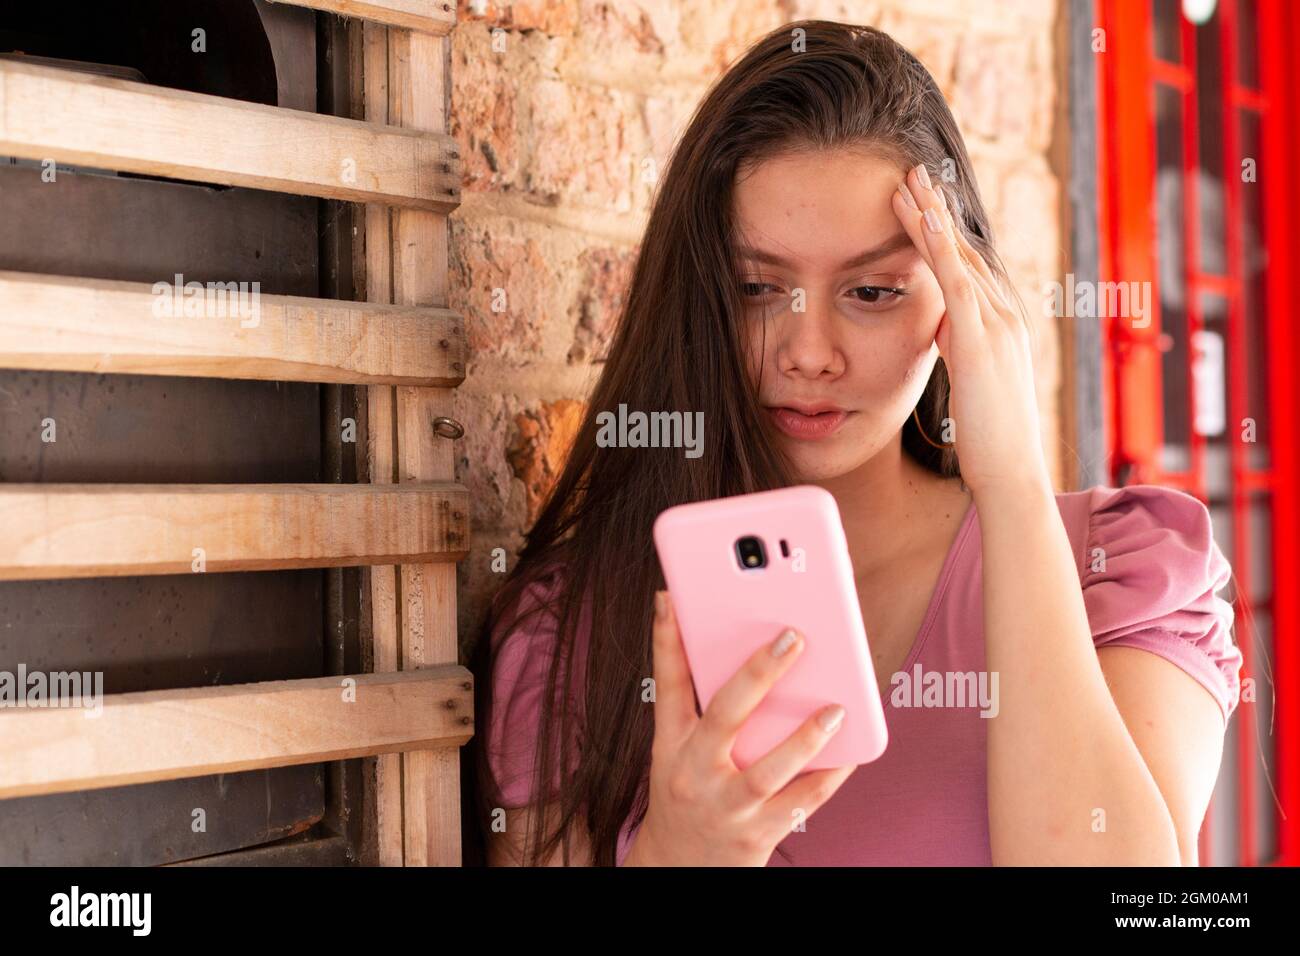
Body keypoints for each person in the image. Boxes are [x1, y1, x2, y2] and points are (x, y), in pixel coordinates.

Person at [465, 19, 1242, 867]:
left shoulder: (1121, 571)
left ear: (959, 296)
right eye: (758, 288)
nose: (809, 351)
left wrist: (1013, 484)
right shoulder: (572, 628)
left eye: (872, 291)